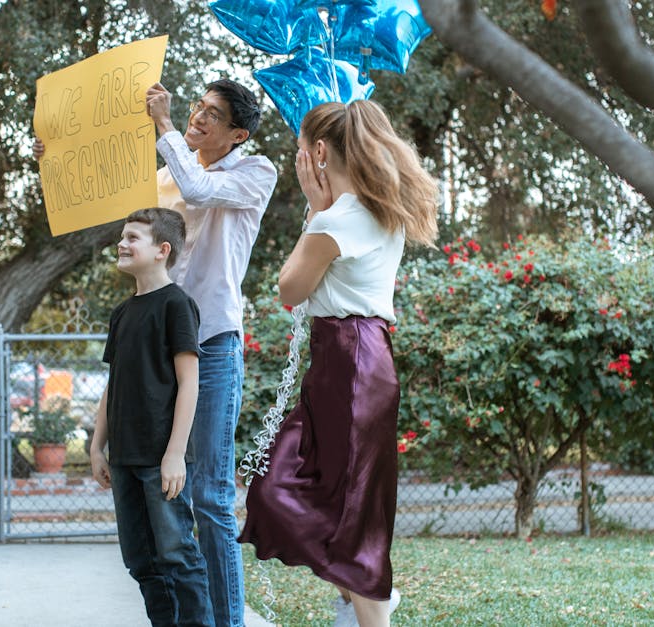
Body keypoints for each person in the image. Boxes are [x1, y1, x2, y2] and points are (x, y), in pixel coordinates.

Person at [36, 78, 276, 627]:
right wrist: (57, 161)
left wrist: (164, 125)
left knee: (211, 496)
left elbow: (198, 191)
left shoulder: (254, 173)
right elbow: (113, 211)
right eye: (197, 107)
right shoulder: (166, 174)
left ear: (238, 134)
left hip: (211, 346)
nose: (198, 117)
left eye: (213, 115)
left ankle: (227, 621)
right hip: (157, 353)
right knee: (165, 501)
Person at [236, 100, 439, 627]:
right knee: (334, 497)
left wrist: (313, 205)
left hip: (350, 360)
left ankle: (373, 609)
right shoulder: (377, 208)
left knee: (336, 504)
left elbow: (289, 288)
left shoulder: (339, 218)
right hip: (354, 358)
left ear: (320, 152)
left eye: (302, 148)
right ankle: (359, 602)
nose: (300, 157)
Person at [89, 207, 211, 626]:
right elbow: (114, 383)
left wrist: (175, 454)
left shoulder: (177, 305)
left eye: (132, 238)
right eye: (122, 236)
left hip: (162, 460)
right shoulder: (121, 313)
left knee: (177, 556)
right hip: (124, 457)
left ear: (162, 250)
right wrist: (96, 445)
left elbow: (189, 383)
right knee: (141, 562)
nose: (121, 244)